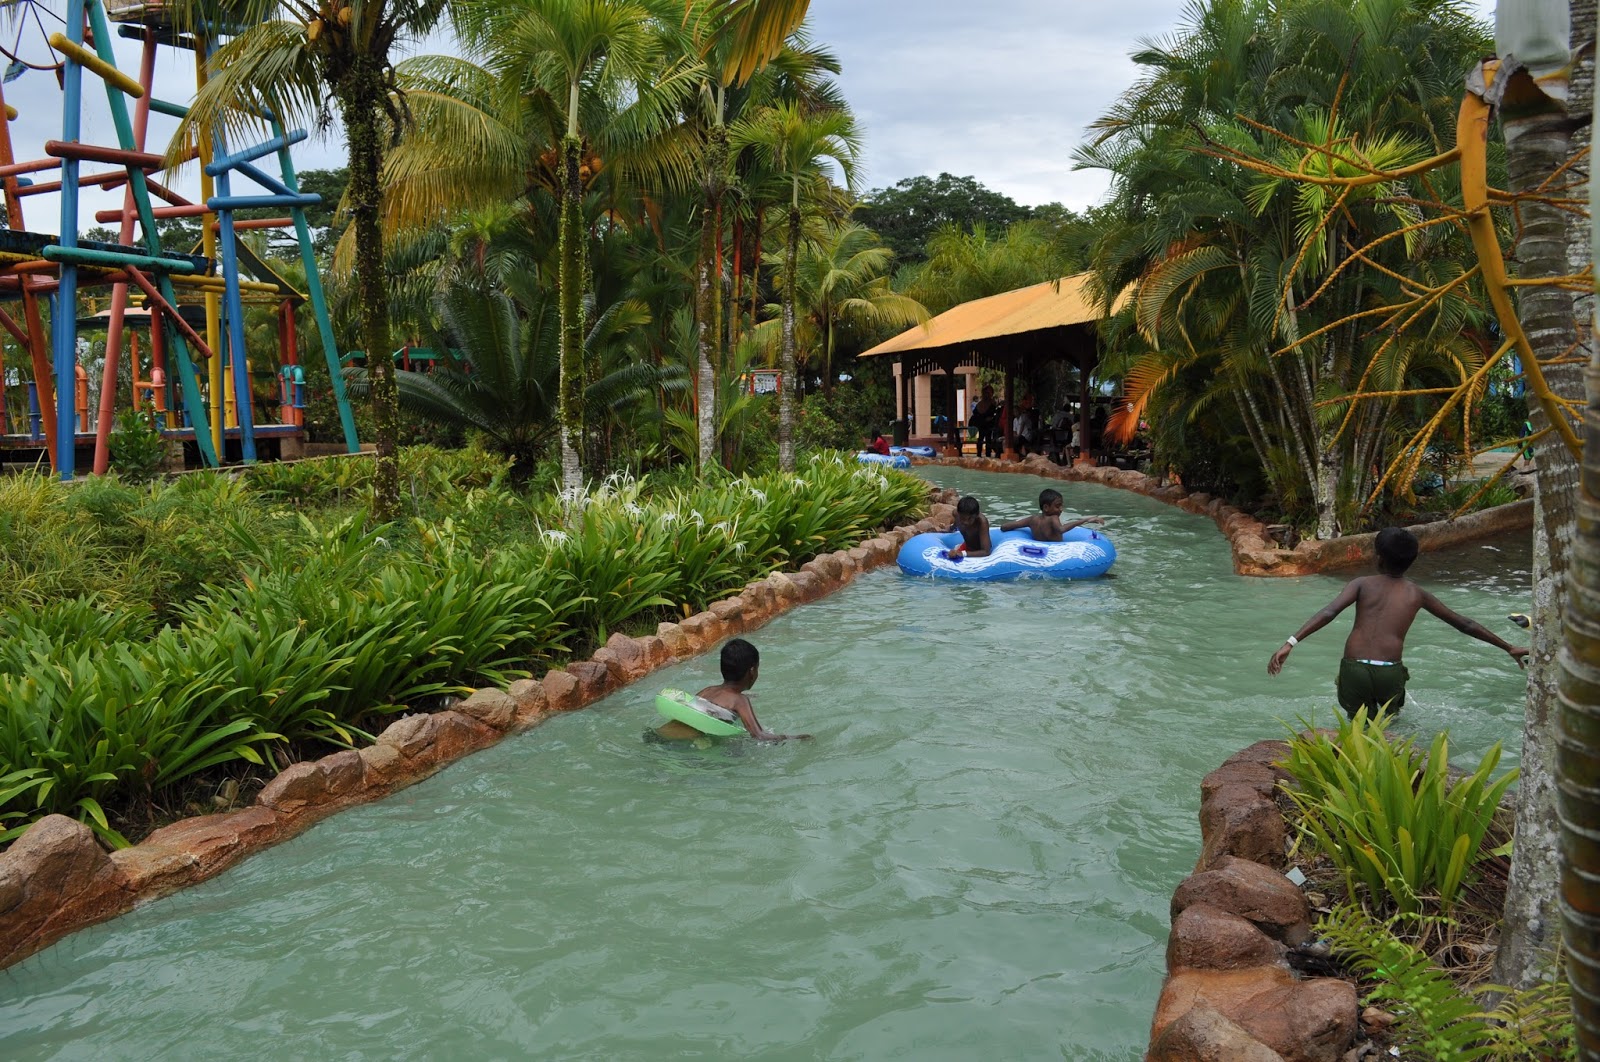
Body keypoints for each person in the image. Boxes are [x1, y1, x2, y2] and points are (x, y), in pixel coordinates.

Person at [1266, 527, 1528, 717]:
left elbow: (1328, 613)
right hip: (1389, 671)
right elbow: (1465, 624)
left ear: (1377, 556)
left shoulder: (1361, 584)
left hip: (1354, 667)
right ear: (1412, 560)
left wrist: (1291, 642)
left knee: (1356, 726)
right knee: (1389, 726)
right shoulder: (1417, 594)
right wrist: (1508, 647)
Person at [670, 638, 809, 742]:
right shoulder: (740, 701)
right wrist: (793, 738)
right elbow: (759, 735)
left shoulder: (708, 690)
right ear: (752, 671)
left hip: (672, 734)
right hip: (689, 742)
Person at [999, 488, 1105, 542]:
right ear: (1046, 507)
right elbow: (1061, 530)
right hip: (1055, 553)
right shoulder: (1053, 518)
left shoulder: (1032, 520)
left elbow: (1004, 527)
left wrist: (1003, 528)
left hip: (1038, 554)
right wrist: (1085, 520)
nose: (1061, 509)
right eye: (1058, 506)